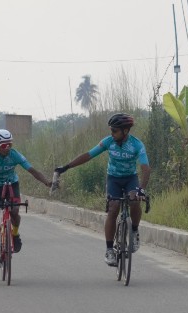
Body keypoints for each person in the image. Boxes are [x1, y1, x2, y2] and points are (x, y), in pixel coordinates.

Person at [54, 113, 151, 265]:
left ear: (125, 131)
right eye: (111, 130)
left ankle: (134, 230)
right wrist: (66, 167)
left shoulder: (137, 145)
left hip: (130, 178)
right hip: (113, 178)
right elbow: (88, 155)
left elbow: (145, 168)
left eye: (114, 131)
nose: (111, 134)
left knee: (134, 201)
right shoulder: (108, 142)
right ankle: (109, 250)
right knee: (113, 208)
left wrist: (142, 189)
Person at [0, 129, 53, 267]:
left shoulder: (15, 155)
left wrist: (46, 182)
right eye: (4, 145)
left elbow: (32, 170)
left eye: (10, 144)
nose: (8, 148)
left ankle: (15, 235)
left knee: (15, 211)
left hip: (11, 184)